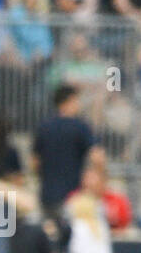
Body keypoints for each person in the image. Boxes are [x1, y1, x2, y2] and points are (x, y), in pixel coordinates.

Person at [33, 83, 100, 219]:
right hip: (72, 196)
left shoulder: (44, 127)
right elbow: (97, 157)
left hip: (47, 195)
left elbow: (34, 163)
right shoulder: (80, 127)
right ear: (69, 101)